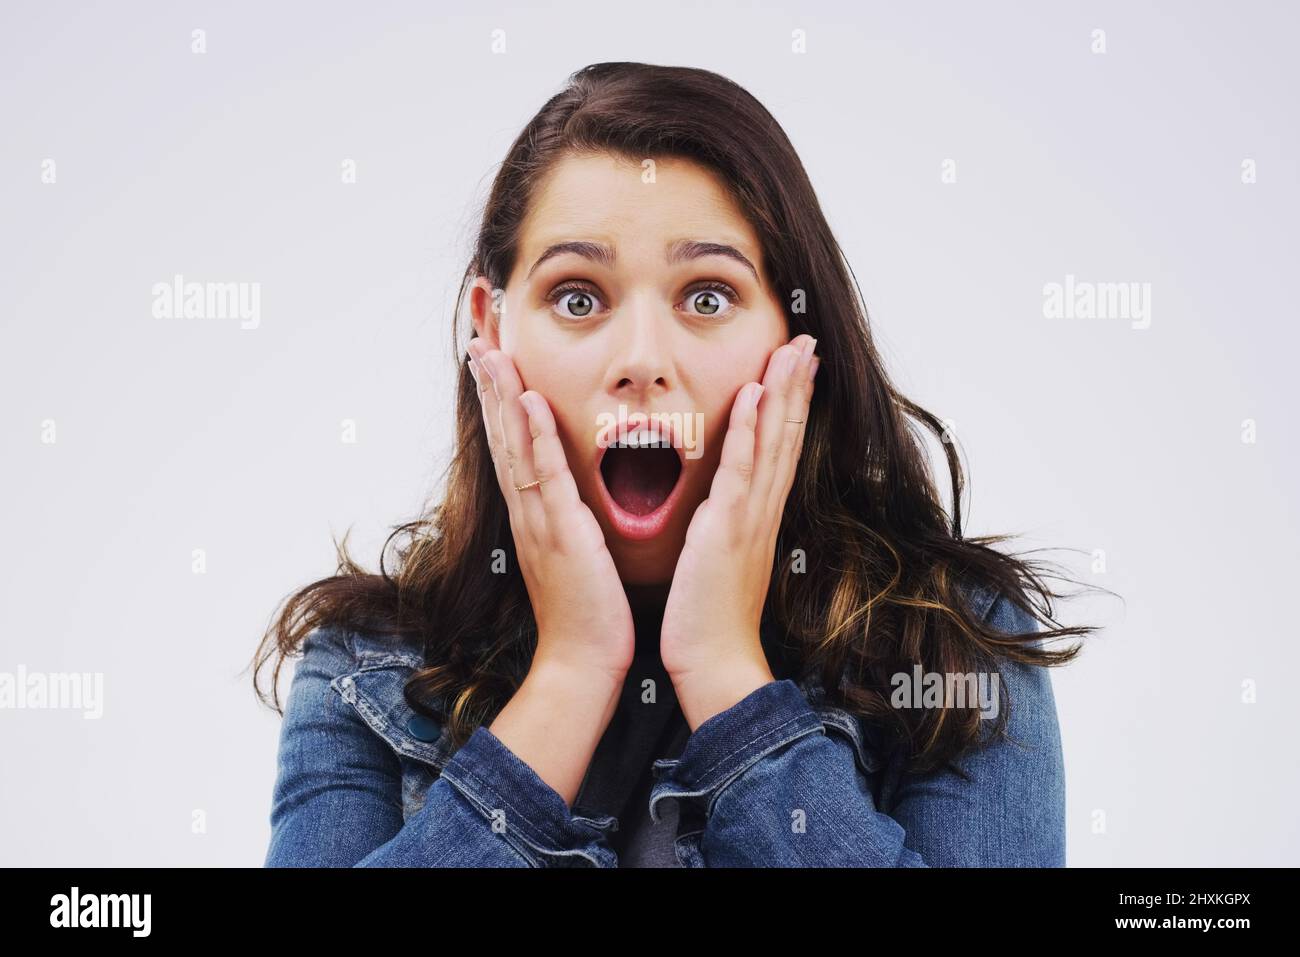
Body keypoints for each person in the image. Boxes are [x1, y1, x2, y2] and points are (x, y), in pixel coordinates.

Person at [253, 61, 1099, 868]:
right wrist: (570, 674)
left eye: (707, 296)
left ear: (797, 334)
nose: (643, 360)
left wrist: (728, 674)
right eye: (578, 297)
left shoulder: (953, 646)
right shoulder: (362, 668)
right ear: (490, 326)